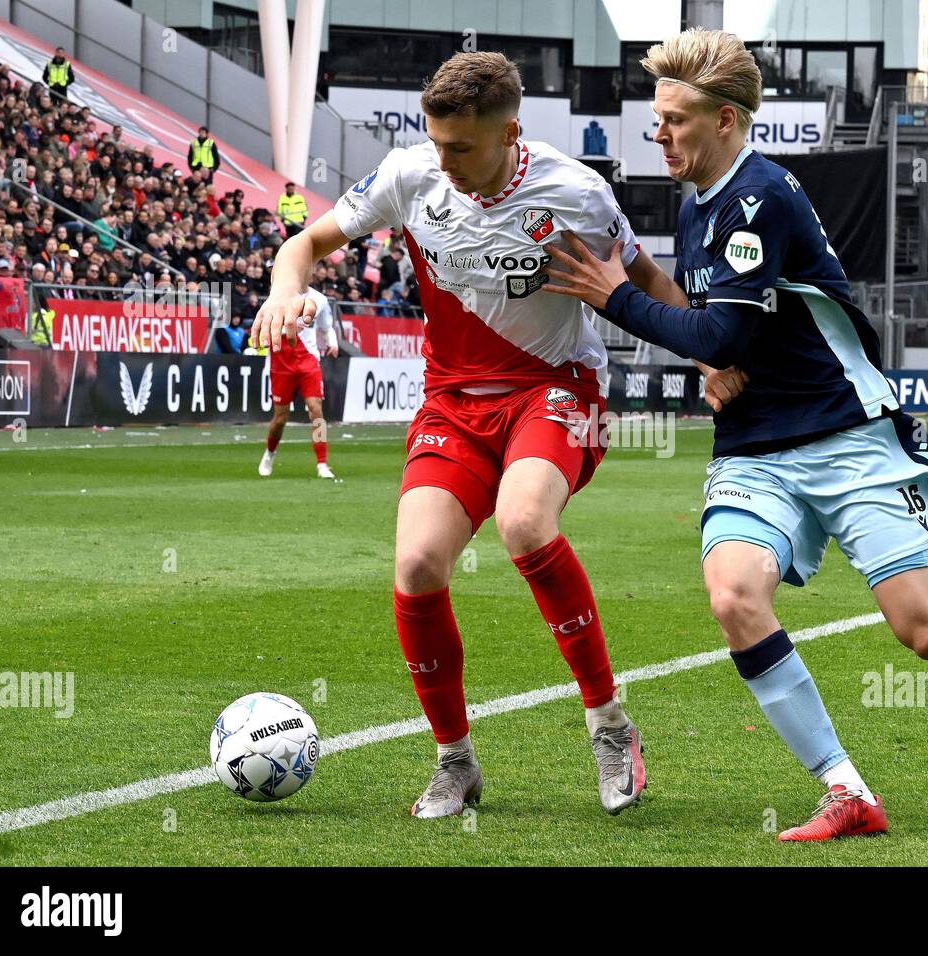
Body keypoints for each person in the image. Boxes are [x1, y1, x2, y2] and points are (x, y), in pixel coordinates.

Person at [544, 27, 928, 842]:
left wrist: (618, 299)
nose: (659, 133)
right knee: (734, 594)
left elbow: (725, 338)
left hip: (848, 436)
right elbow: (715, 327)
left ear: (728, 121)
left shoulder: (760, 198)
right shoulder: (699, 200)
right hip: (754, 450)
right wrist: (709, 359)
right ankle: (847, 790)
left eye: (675, 119)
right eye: (657, 118)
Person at [248, 51, 712, 819]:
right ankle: (454, 763)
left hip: (556, 390)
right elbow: (304, 244)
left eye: (461, 147)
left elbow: (652, 281)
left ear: (510, 132)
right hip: (452, 405)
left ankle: (609, 725)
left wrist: (712, 355)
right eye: (436, 143)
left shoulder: (575, 192)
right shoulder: (410, 176)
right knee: (418, 563)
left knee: (525, 523)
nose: (445, 161)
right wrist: (285, 290)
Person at [258, 285, 338, 479]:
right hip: (281, 362)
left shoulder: (319, 299)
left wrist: (332, 342)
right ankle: (269, 453)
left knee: (315, 409)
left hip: (308, 361)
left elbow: (327, 327)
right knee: (280, 419)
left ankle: (322, 463)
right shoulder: (276, 294)